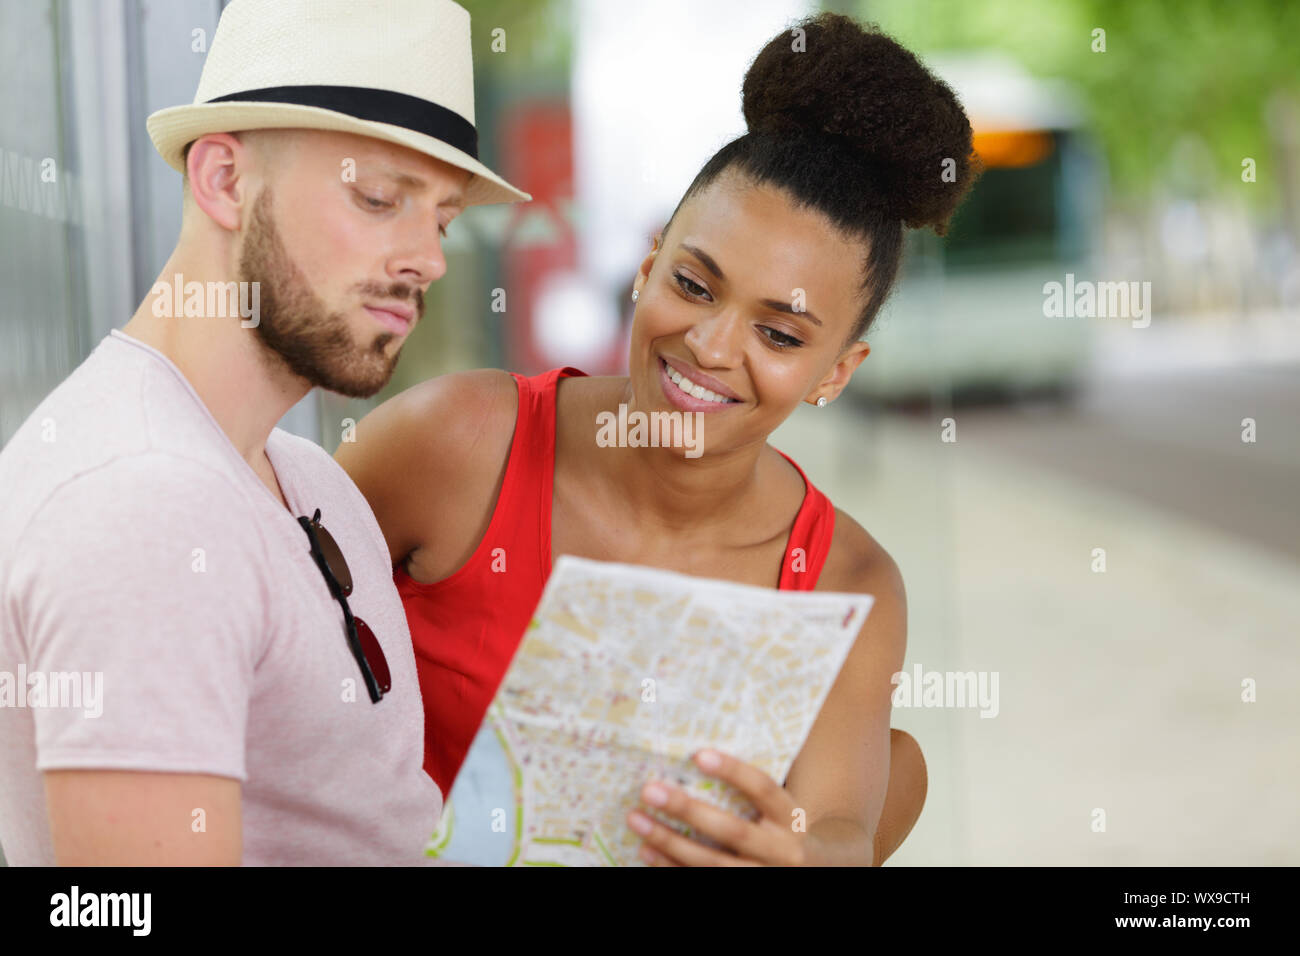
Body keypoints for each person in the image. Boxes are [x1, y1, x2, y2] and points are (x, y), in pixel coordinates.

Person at [337, 13, 980, 866]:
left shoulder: (843, 582)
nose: (712, 348)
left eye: (781, 336)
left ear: (838, 371)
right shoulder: (456, 443)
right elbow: (268, 639)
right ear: (646, 267)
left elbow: (837, 827)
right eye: (692, 283)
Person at [0, 0, 528, 865]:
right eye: (378, 197)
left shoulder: (305, 474)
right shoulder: (140, 504)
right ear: (222, 181)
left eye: (442, 219)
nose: (427, 258)